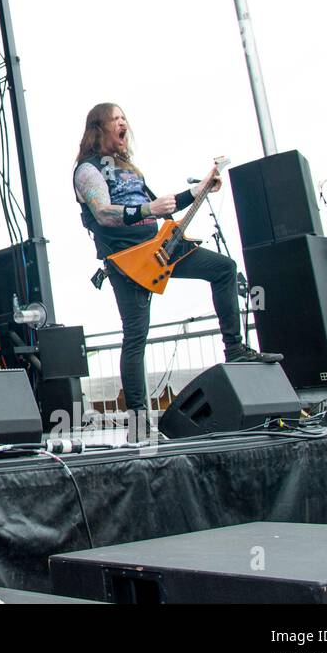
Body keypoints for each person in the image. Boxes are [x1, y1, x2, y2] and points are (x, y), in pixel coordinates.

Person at [72, 103, 281, 435]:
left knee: (224, 269)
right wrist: (149, 208)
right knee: (135, 335)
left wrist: (197, 191)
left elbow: (160, 207)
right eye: (117, 119)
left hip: (159, 247)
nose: (125, 122)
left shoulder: (129, 168)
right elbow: (102, 213)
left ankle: (235, 348)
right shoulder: (87, 170)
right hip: (127, 260)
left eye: (126, 117)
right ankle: (139, 420)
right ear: (100, 128)